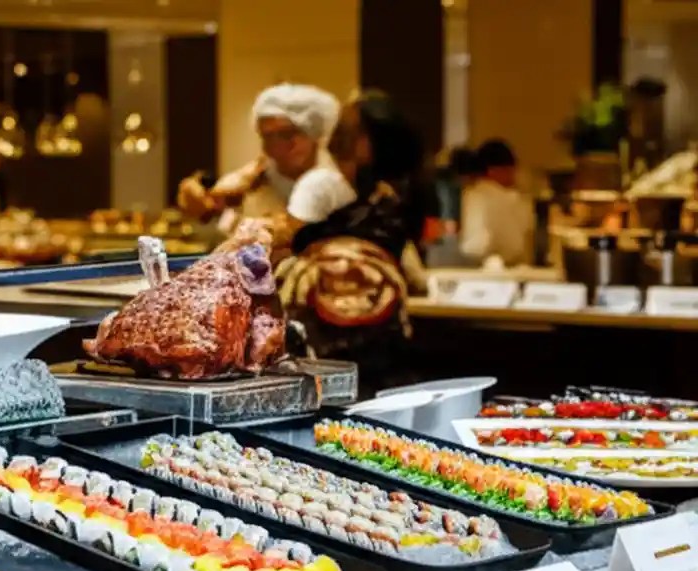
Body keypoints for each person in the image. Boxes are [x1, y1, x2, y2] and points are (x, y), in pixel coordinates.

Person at [272, 90, 431, 395]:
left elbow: (293, 238)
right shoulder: (387, 204)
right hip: (369, 360)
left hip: (345, 362)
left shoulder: (375, 207)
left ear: (365, 144)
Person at [177, 83, 339, 231]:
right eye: (268, 137)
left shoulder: (340, 184)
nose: (277, 146)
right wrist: (199, 203)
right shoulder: (250, 184)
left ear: (315, 135)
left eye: (287, 134)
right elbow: (210, 214)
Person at [459, 139, 533, 266]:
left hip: (472, 266)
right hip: (507, 268)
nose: (514, 175)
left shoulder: (471, 194)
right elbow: (517, 247)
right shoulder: (511, 199)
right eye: (511, 170)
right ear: (494, 171)